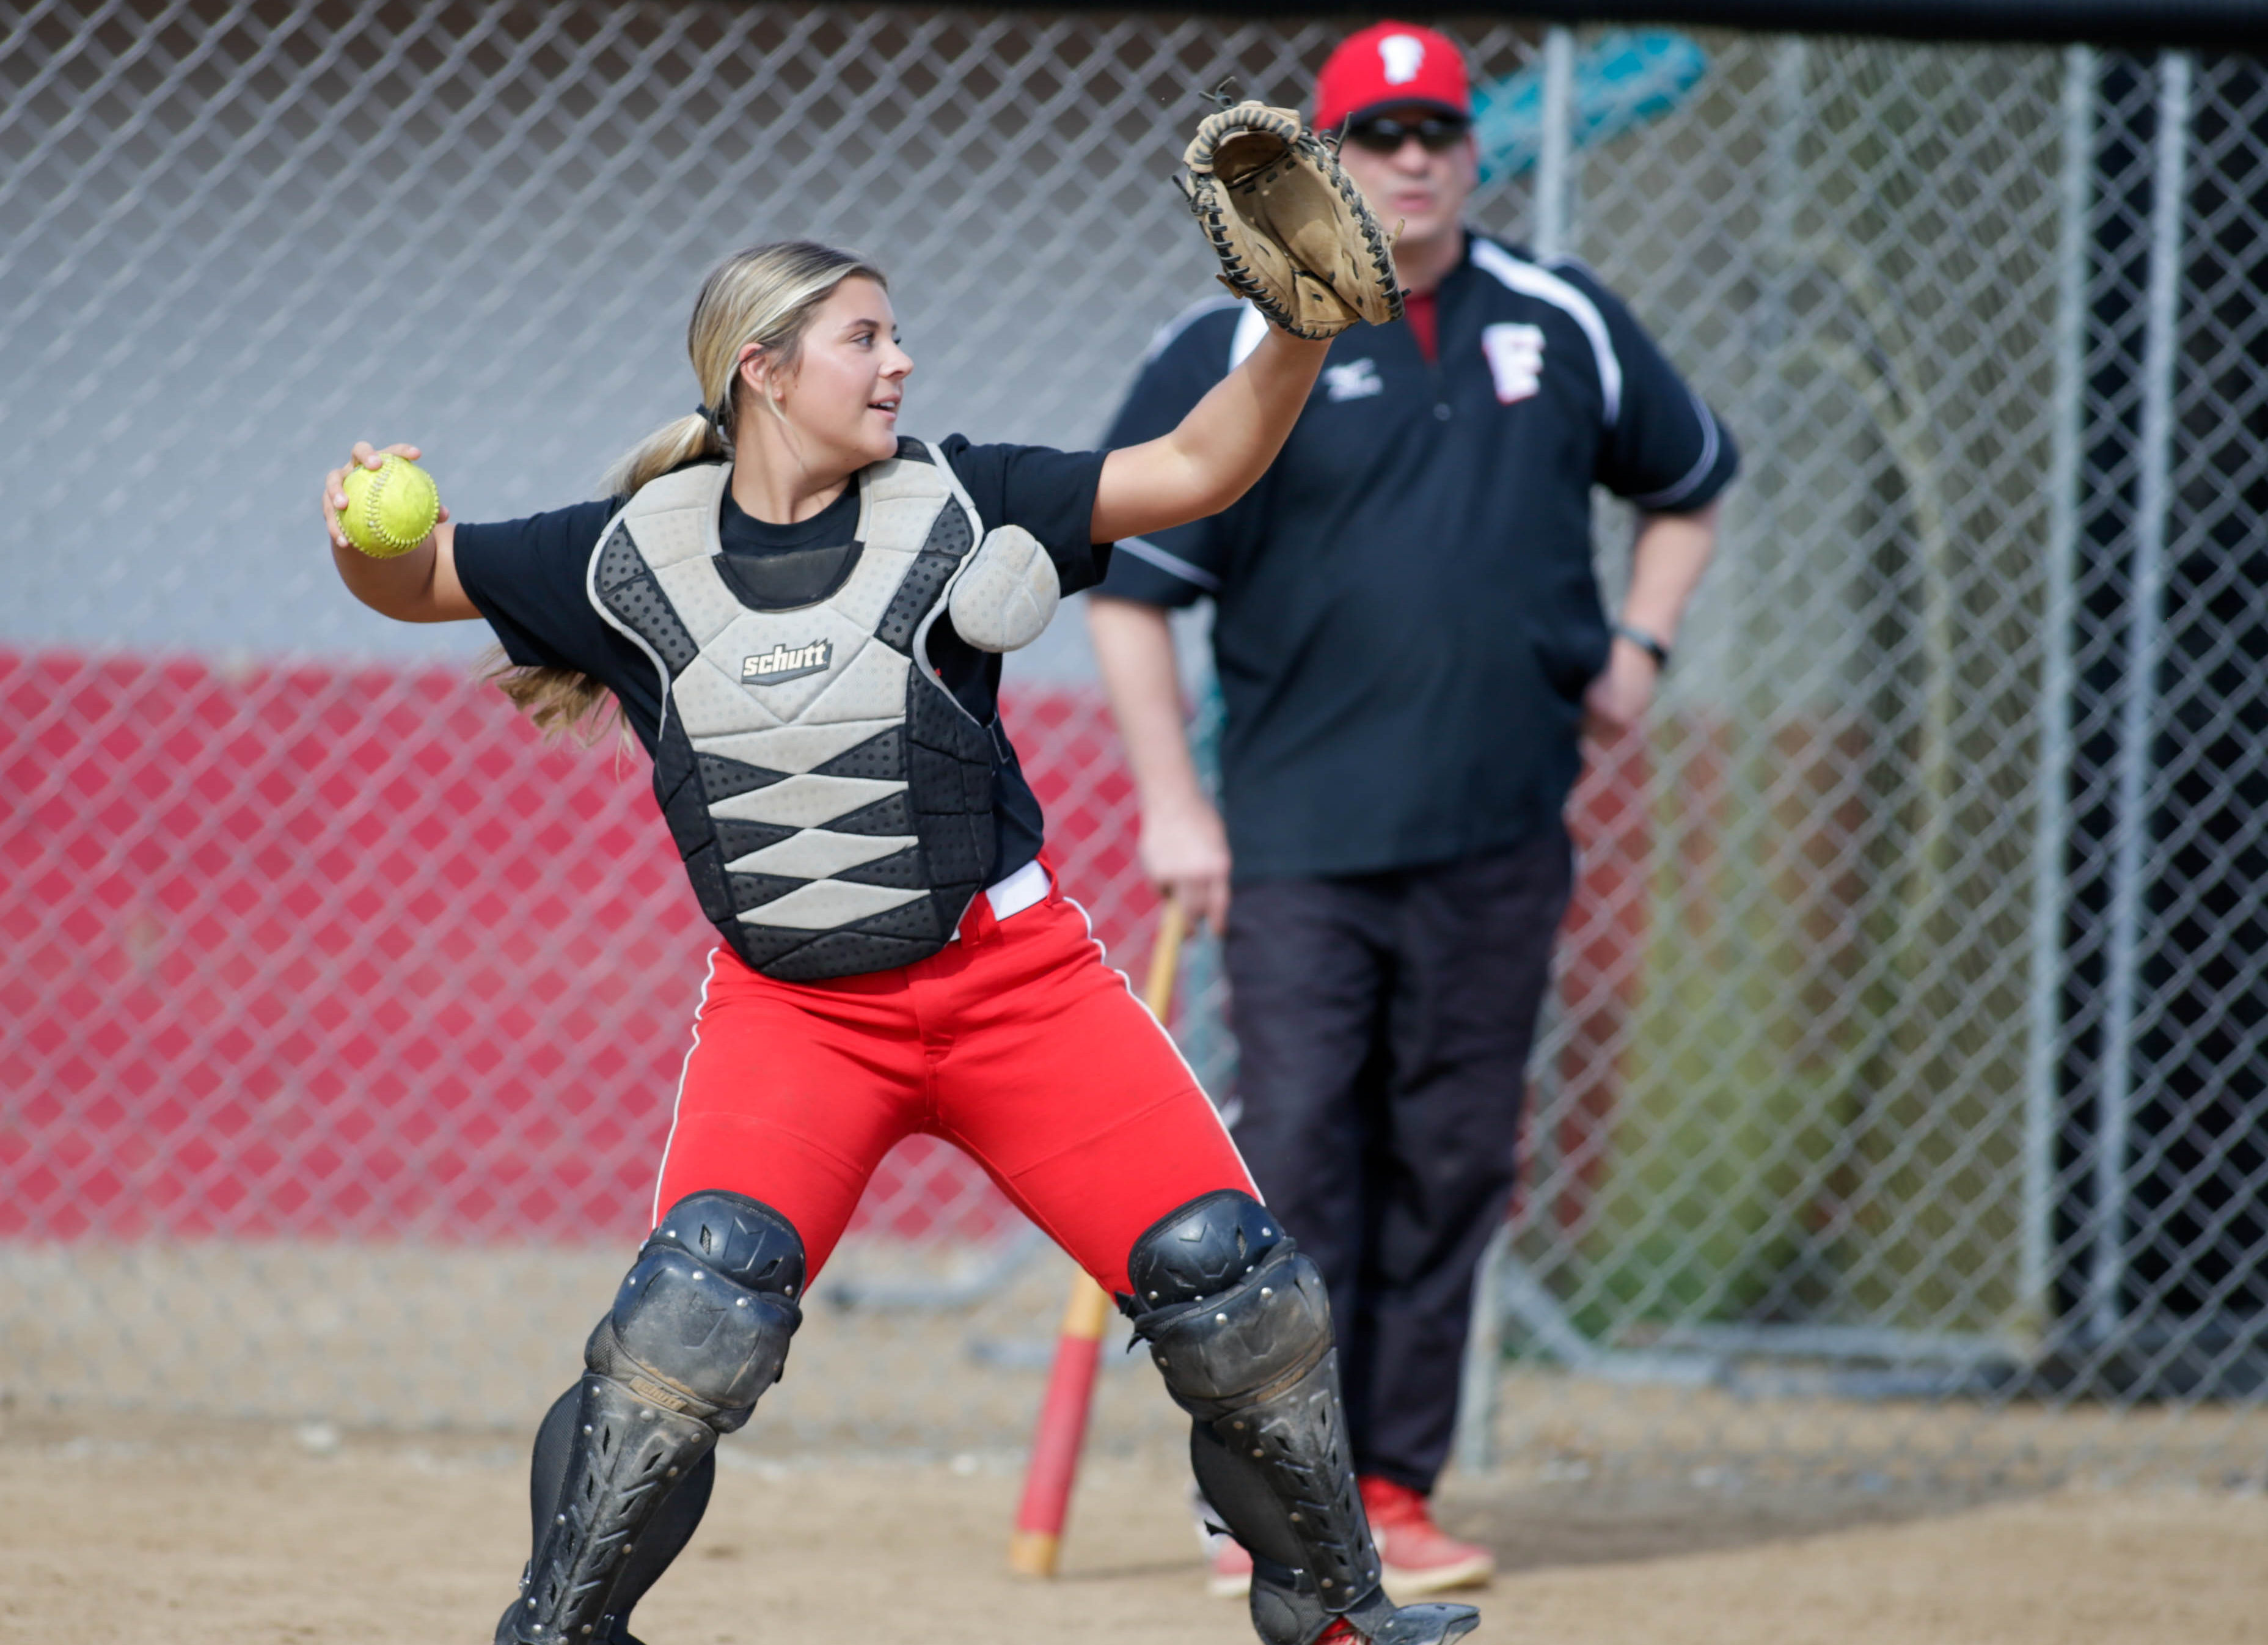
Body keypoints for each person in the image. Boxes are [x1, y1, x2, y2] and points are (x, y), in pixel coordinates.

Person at [320, 227, 1478, 1645]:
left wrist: (1292, 331)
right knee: (690, 1322)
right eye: (863, 337)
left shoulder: (961, 493)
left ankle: (1334, 1614)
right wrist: (354, 537)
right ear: (762, 369)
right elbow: (420, 577)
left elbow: (1193, 469)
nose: (899, 361)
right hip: (795, 1013)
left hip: (1015, 986)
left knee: (1231, 1288)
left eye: (894, 335)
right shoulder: (631, 553)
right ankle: (556, 1630)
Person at [1090, 21, 1736, 1599]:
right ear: (1323, 160)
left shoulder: (1560, 318)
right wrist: (1175, 807)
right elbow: (1124, 589)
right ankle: (1267, 1482)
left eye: (1436, 131)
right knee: (1302, 1158)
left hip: (1501, 830)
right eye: (1376, 136)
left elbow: (1690, 477)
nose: (1412, 159)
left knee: (1452, 1160)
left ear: (1470, 146)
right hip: (1298, 840)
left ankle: (1393, 1479)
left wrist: (1638, 645)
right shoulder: (1234, 341)